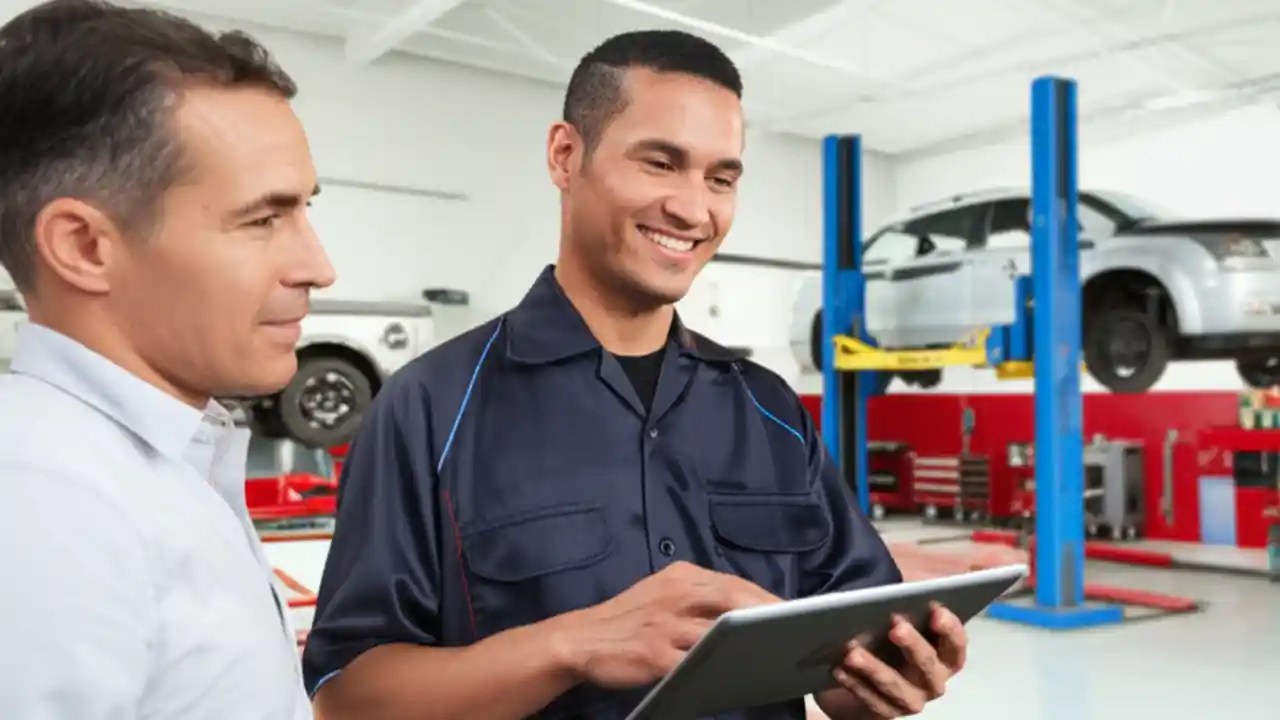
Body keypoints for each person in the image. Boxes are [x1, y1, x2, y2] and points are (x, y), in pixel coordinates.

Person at [303, 30, 967, 720]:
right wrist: (571, 645)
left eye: (720, 178)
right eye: (660, 163)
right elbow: (349, 700)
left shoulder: (770, 411)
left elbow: (840, 666)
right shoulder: (429, 408)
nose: (693, 208)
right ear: (566, 155)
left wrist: (887, 676)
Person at [0, 1, 334, 718]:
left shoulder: (156, 465)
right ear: (86, 247)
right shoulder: (44, 502)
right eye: (262, 219)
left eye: (306, 210)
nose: (318, 265)